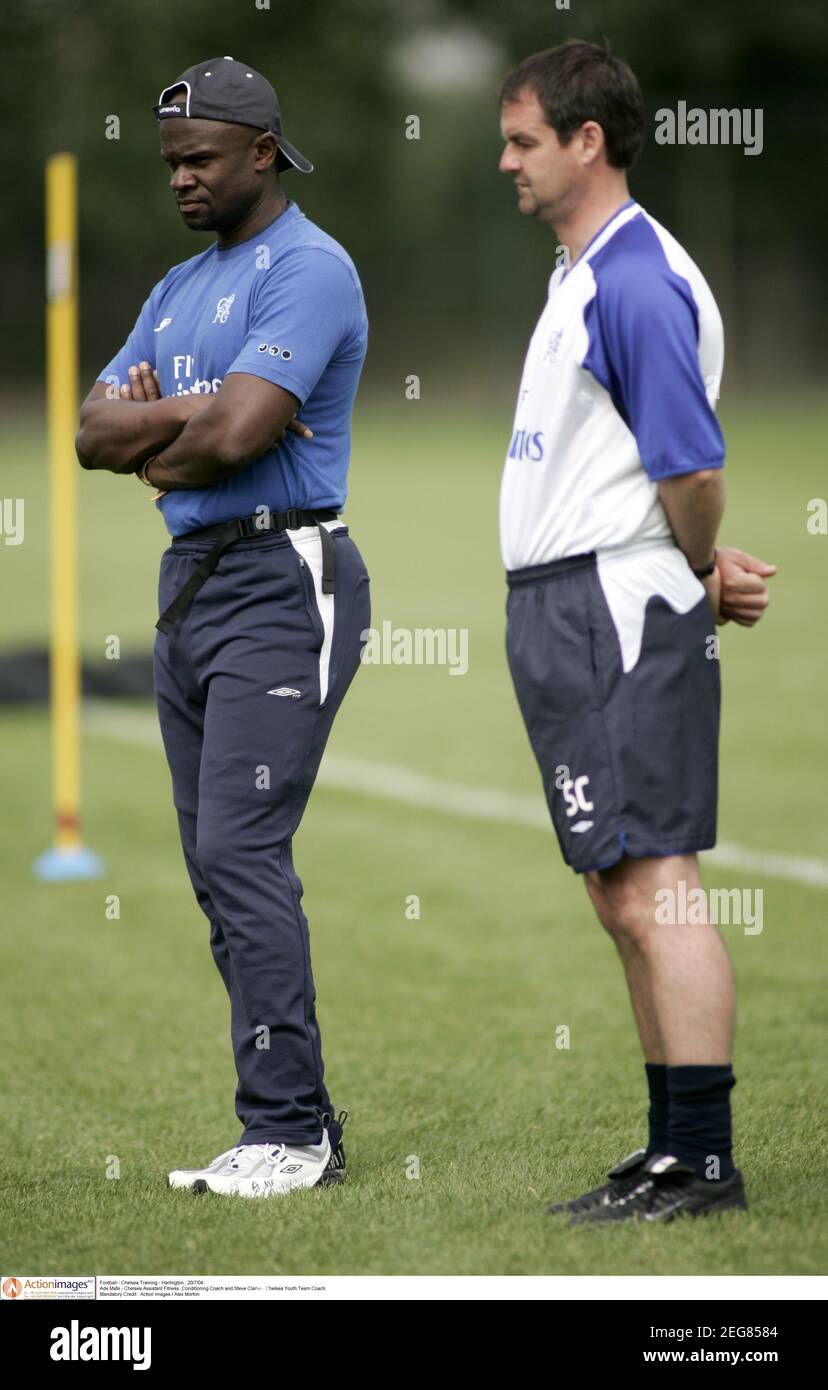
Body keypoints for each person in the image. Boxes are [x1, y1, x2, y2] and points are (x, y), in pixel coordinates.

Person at [75, 56, 370, 1199]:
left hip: (282, 578)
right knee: (216, 868)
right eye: (170, 164)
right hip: (189, 583)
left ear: (262, 150)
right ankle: (299, 1123)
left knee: (242, 853)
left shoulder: (310, 268)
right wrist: (187, 414)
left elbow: (241, 434)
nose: (180, 180)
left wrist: (173, 426)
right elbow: (90, 432)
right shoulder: (176, 284)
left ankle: (287, 1133)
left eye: (198, 159)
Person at [497, 40, 777, 1224]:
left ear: (588, 141)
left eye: (522, 141)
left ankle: (703, 1162)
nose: (505, 162)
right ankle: (669, 1150)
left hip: (612, 613)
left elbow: (692, 469)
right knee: (621, 887)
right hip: (573, 608)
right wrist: (688, 566)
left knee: (656, 881)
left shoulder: (636, 280)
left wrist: (697, 570)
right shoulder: (579, 272)